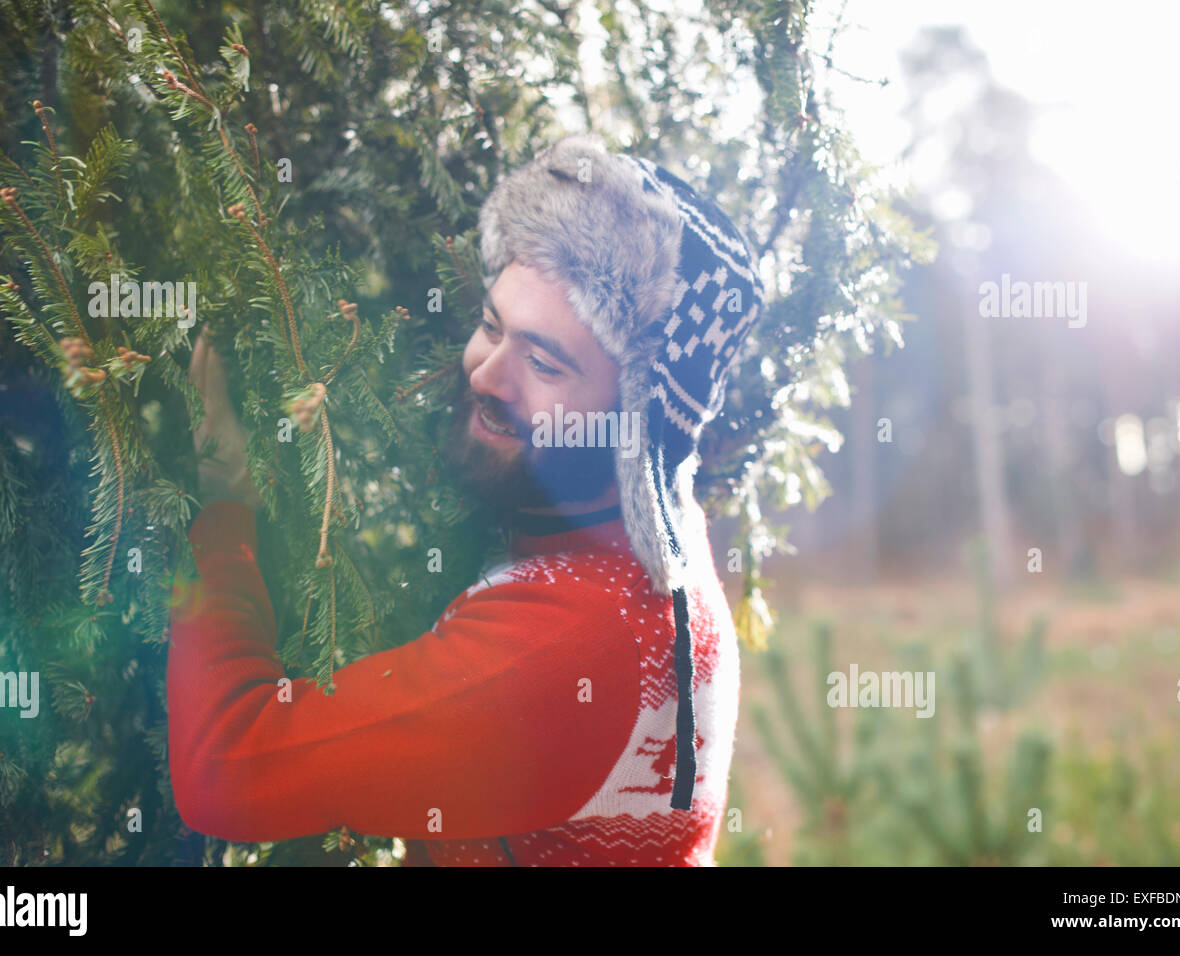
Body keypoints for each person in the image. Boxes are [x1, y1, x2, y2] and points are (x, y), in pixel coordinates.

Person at [169, 133, 766, 866]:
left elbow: (226, 770)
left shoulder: (573, 644)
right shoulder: (661, 532)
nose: (487, 374)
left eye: (544, 361)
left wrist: (222, 510)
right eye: (491, 326)